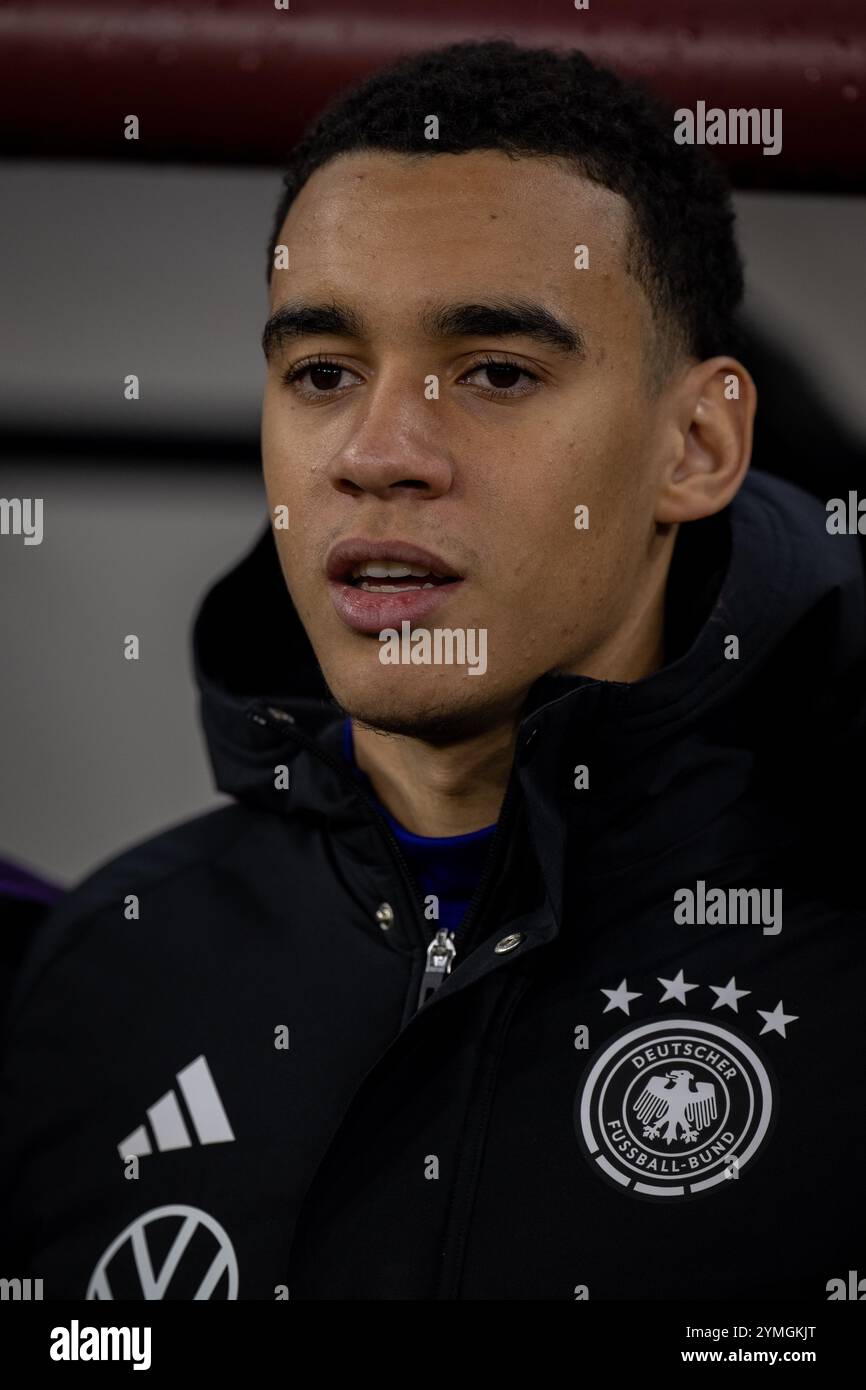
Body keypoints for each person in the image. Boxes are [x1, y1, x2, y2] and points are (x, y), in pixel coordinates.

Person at [1, 40, 864, 1302]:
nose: (378, 452)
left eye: (496, 373)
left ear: (696, 444)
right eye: (322, 373)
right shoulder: (98, 979)